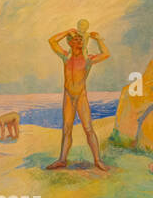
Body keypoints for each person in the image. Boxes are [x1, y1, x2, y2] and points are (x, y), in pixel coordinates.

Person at [46, 20, 110, 171]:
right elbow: (52, 41)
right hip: (68, 96)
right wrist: (67, 31)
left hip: (80, 96)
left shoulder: (87, 59)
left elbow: (106, 54)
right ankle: (62, 160)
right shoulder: (66, 56)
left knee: (88, 129)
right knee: (66, 129)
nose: (79, 41)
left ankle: (97, 160)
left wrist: (99, 40)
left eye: (80, 39)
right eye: (75, 39)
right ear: (69, 42)